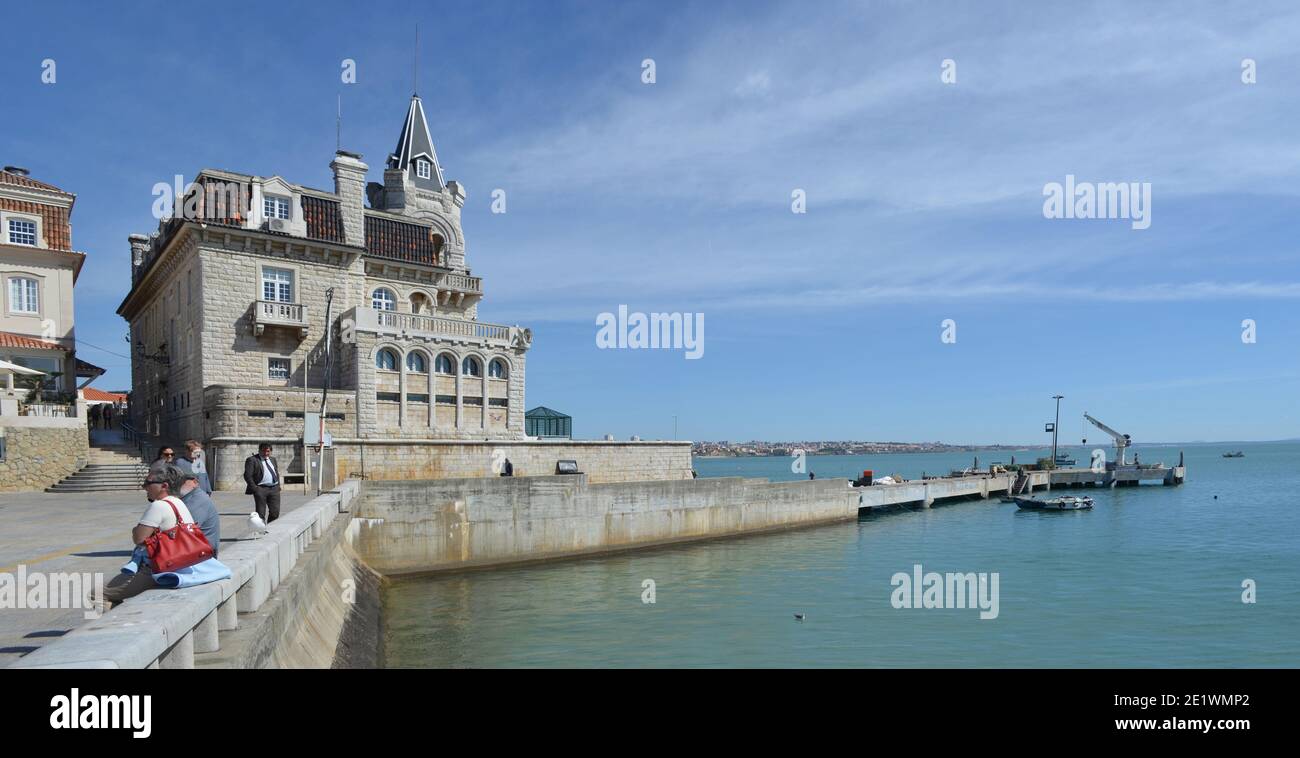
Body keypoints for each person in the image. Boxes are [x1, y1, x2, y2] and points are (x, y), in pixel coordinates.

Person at [101, 462, 199, 608]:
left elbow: (138, 538)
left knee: (96, 594)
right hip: (180, 565)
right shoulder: (178, 502)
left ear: (164, 486)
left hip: (156, 571)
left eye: (148, 482)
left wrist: (136, 529)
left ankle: (103, 629)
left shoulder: (158, 505)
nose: (144, 487)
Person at [173, 467, 220, 557]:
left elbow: (185, 529)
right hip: (196, 550)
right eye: (175, 481)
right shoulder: (188, 497)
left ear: (195, 482)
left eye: (181, 481)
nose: (176, 485)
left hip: (203, 555)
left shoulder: (197, 500)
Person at [243, 442, 281, 524]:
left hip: (274, 489)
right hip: (260, 489)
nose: (266, 453)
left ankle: (270, 527)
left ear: (270, 451)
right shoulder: (252, 460)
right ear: (259, 450)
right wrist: (255, 489)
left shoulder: (273, 459)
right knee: (261, 513)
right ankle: (261, 530)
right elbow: (247, 475)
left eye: (268, 451)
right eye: (263, 451)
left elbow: (276, 472)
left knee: (275, 512)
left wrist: (278, 486)